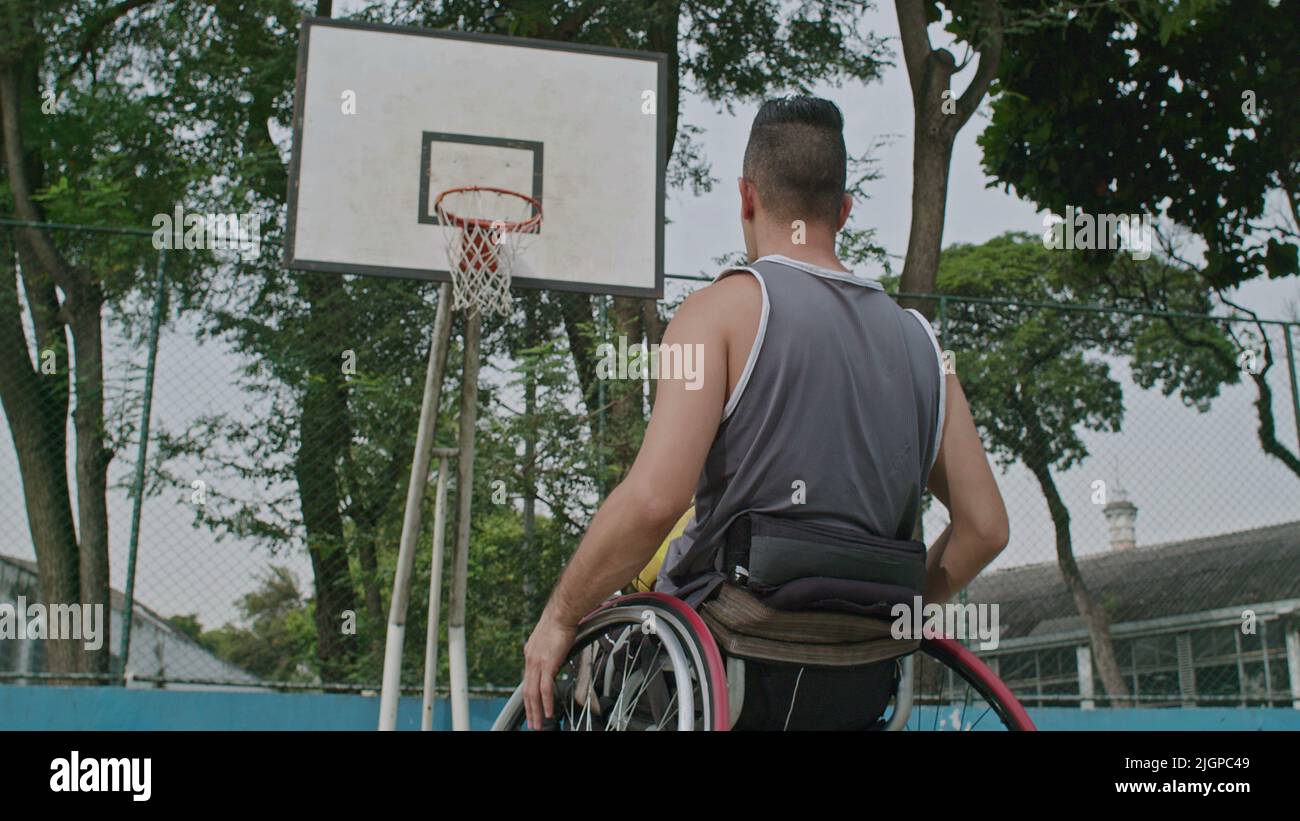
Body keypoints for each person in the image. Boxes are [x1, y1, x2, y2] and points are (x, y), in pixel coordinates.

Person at [522, 96, 1009, 730]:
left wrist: (559, 618)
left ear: (747, 197)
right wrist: (894, 612)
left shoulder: (717, 313)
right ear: (843, 211)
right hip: (860, 679)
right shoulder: (923, 344)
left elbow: (651, 502)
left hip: (728, 663)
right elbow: (986, 528)